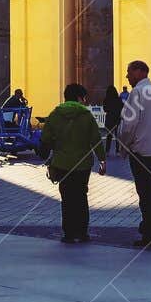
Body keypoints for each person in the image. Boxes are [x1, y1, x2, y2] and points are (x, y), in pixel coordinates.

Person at [43, 83, 106, 243]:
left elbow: (45, 139)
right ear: (79, 97)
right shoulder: (86, 116)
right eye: (84, 98)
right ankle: (82, 232)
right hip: (83, 164)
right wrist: (102, 159)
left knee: (67, 198)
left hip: (62, 163)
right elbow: (95, 140)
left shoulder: (55, 114)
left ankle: (69, 233)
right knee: (81, 196)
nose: (85, 101)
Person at [118, 60, 151, 248]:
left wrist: (123, 145)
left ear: (140, 72)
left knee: (145, 195)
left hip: (142, 151)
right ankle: (149, 229)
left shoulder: (137, 93)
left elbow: (129, 125)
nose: (127, 76)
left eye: (129, 72)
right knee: (149, 192)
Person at [102, 84, 124, 156]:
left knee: (109, 136)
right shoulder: (118, 99)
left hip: (109, 119)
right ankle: (118, 151)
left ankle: (107, 151)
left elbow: (105, 109)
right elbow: (122, 107)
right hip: (117, 119)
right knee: (118, 136)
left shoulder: (106, 100)